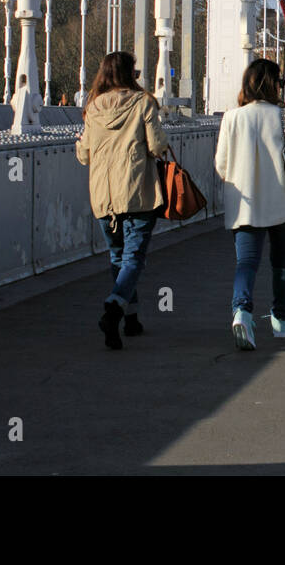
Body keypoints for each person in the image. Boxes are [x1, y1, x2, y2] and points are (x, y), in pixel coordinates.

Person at [215, 58, 285, 351]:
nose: (282, 87)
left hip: (246, 204)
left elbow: (221, 165)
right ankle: (280, 323)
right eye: (280, 81)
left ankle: (242, 313)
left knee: (246, 263)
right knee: (281, 264)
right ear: (272, 84)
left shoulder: (231, 118)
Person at [75, 52, 170, 350]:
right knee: (133, 259)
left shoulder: (92, 108)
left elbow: (84, 155)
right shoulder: (143, 103)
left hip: (103, 196)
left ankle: (131, 319)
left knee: (118, 258)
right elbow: (156, 146)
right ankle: (114, 308)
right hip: (138, 192)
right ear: (131, 75)